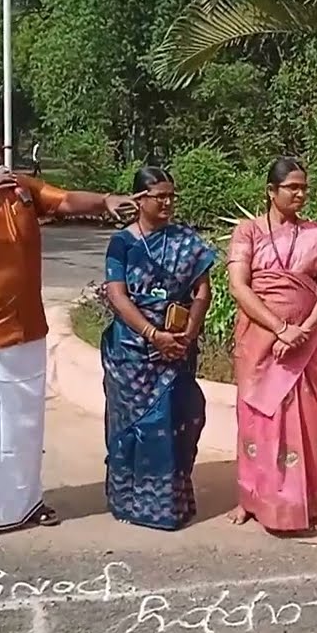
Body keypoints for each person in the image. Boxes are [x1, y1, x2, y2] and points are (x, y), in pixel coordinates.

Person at [0, 115, 137, 544]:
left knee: (23, 427)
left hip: (26, 327)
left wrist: (105, 200)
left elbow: (63, 200)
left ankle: (24, 503)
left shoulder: (19, 187)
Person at [225, 157, 317, 533]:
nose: (300, 194)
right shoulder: (248, 232)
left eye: (304, 187)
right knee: (258, 420)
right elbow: (238, 286)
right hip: (260, 342)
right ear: (271, 191)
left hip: (306, 343)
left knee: (306, 421)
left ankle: (307, 502)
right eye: (292, 187)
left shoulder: (316, 234)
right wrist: (279, 328)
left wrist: (302, 331)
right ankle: (252, 499)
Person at [102, 166, 217, 530]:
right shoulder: (123, 243)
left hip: (178, 348)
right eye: (159, 197)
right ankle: (131, 503)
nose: (167, 203)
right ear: (140, 200)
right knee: (134, 427)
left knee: (179, 419)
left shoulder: (186, 241)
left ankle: (172, 505)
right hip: (132, 353)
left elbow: (202, 291)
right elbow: (117, 295)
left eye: (171, 196)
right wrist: (153, 334)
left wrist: (188, 334)